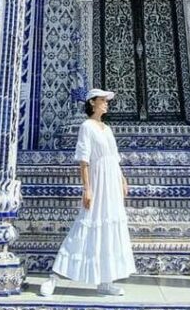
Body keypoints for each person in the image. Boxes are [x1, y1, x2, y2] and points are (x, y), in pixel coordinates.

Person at [39, 88, 136, 297]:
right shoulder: (87, 127)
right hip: (98, 180)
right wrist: (87, 188)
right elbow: (84, 160)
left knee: (109, 226)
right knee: (84, 226)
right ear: (93, 102)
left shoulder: (106, 128)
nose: (106, 103)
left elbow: (114, 157)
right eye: (103, 100)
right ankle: (54, 278)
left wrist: (122, 179)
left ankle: (106, 281)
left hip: (111, 181)